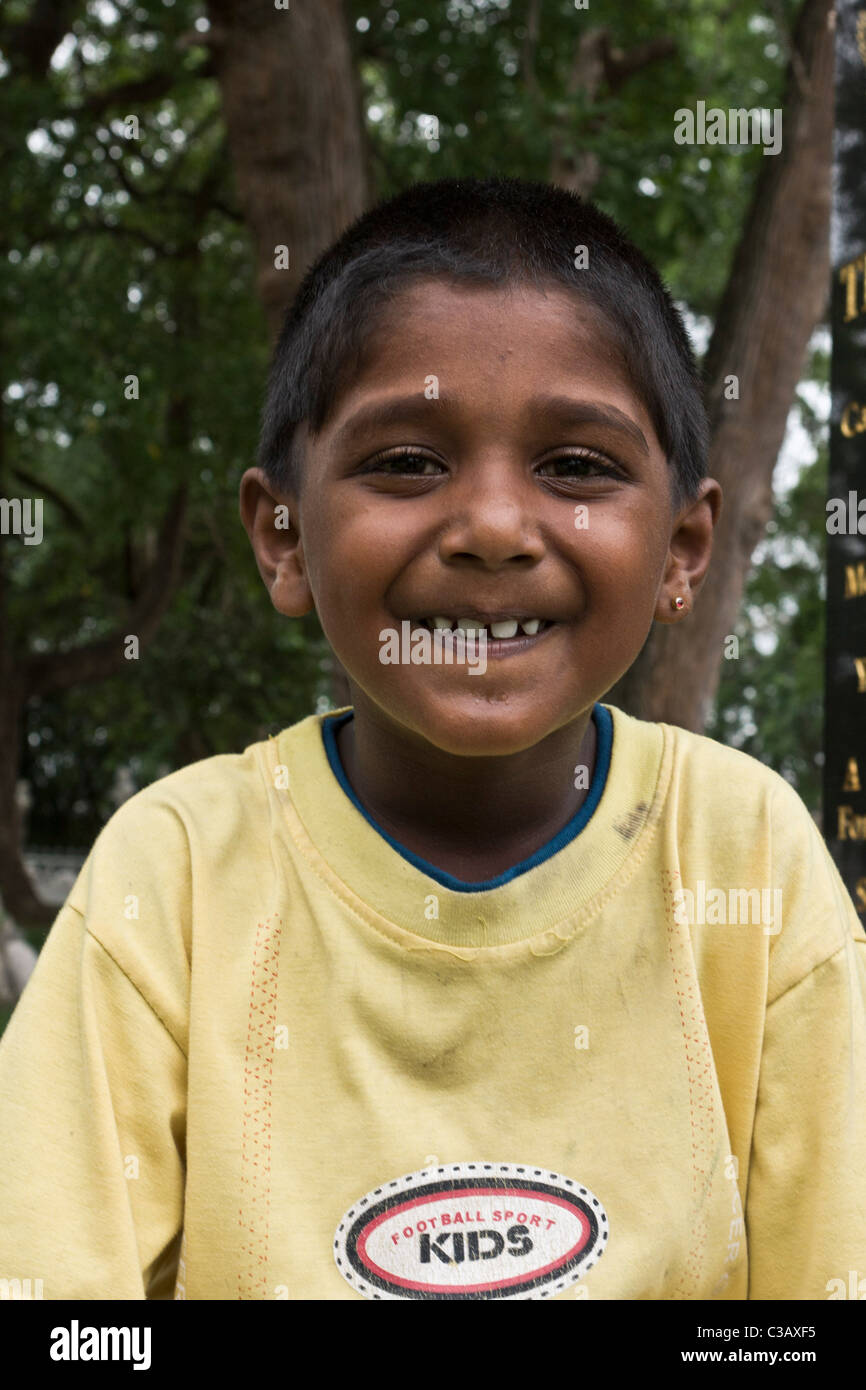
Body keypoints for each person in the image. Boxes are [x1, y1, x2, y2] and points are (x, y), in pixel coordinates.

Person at [1, 176, 864, 1302]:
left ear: (681, 550)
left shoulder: (747, 859)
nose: (493, 528)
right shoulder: (173, 876)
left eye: (576, 466)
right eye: (406, 462)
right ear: (283, 537)